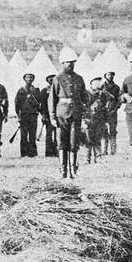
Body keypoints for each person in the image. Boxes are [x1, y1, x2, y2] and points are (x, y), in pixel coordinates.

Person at [51, 48, 87, 178]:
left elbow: (85, 97)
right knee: (62, 142)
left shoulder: (79, 79)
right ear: (62, 63)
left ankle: (73, 170)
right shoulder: (57, 79)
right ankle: (63, 170)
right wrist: (52, 117)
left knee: (74, 142)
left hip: (75, 113)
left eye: (72, 62)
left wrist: (84, 111)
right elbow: (52, 99)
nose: (70, 65)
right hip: (61, 114)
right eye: (67, 62)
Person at [14, 72, 40, 157]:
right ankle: (24, 153)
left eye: (31, 77)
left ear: (33, 79)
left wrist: (38, 111)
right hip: (24, 115)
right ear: (24, 79)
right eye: (27, 77)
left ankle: (32, 153)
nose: (29, 79)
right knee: (23, 135)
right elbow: (17, 103)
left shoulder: (36, 90)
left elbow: (40, 102)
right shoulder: (21, 90)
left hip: (33, 115)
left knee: (32, 135)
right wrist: (18, 114)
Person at [40, 74, 58, 158]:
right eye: (49, 79)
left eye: (53, 79)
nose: (51, 80)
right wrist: (44, 115)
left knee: (57, 134)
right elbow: (42, 104)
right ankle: (49, 152)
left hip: (58, 115)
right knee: (49, 134)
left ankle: (57, 151)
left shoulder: (59, 90)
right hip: (48, 115)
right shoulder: (44, 91)